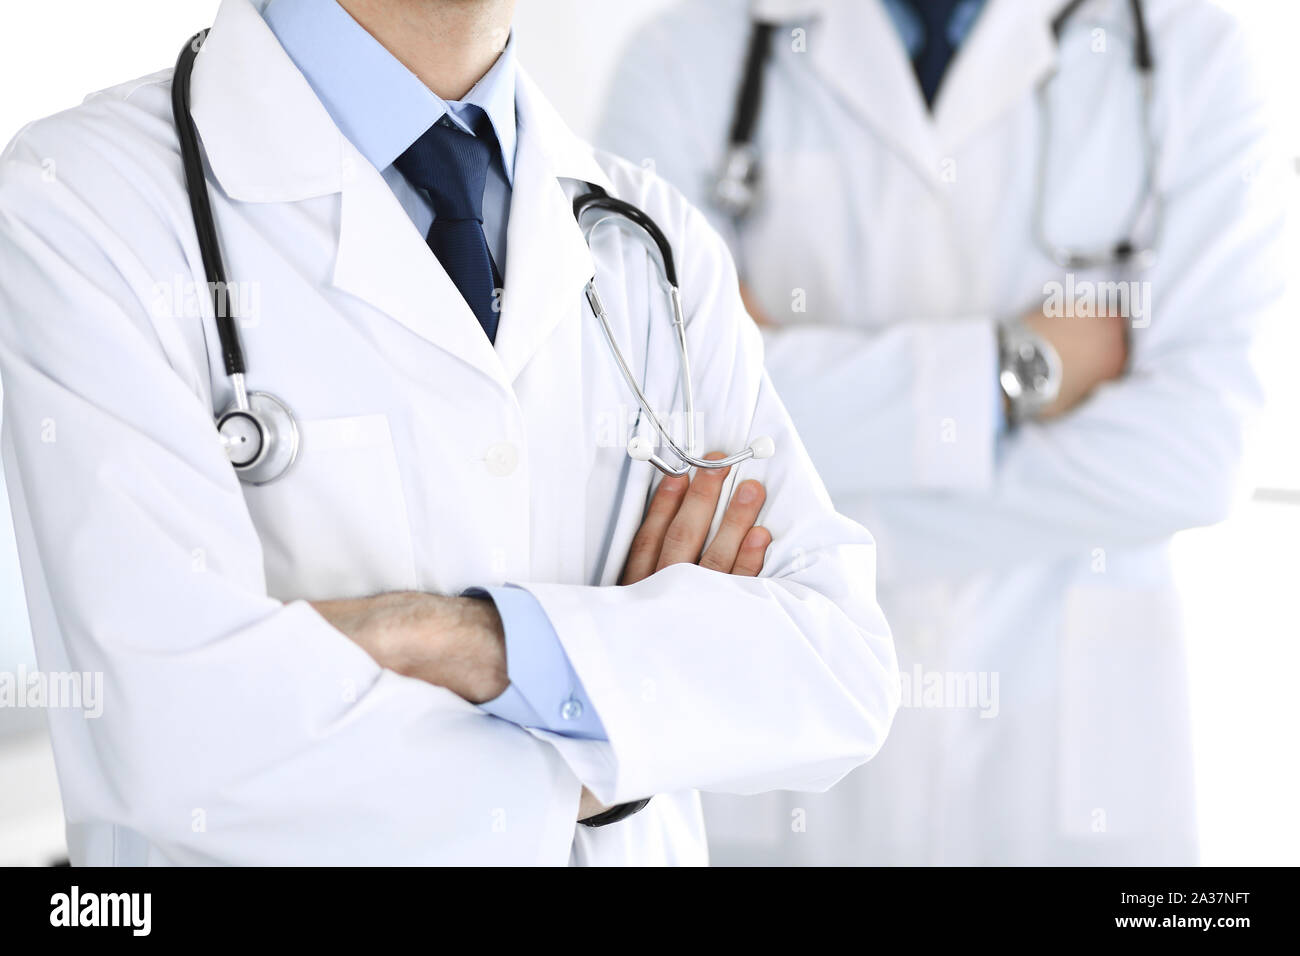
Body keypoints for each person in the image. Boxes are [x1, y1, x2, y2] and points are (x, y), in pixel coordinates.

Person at [0, 0, 899, 865]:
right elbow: (183, 735)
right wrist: (632, 721)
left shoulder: (651, 240)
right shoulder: (83, 207)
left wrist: (470, 639)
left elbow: (839, 668)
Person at [598, 0, 1282, 864]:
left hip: (1071, 766)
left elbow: (1197, 449)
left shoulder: (1192, 56)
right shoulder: (684, 61)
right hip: (779, 761)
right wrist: (1014, 370)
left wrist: (800, 528)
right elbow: (655, 419)